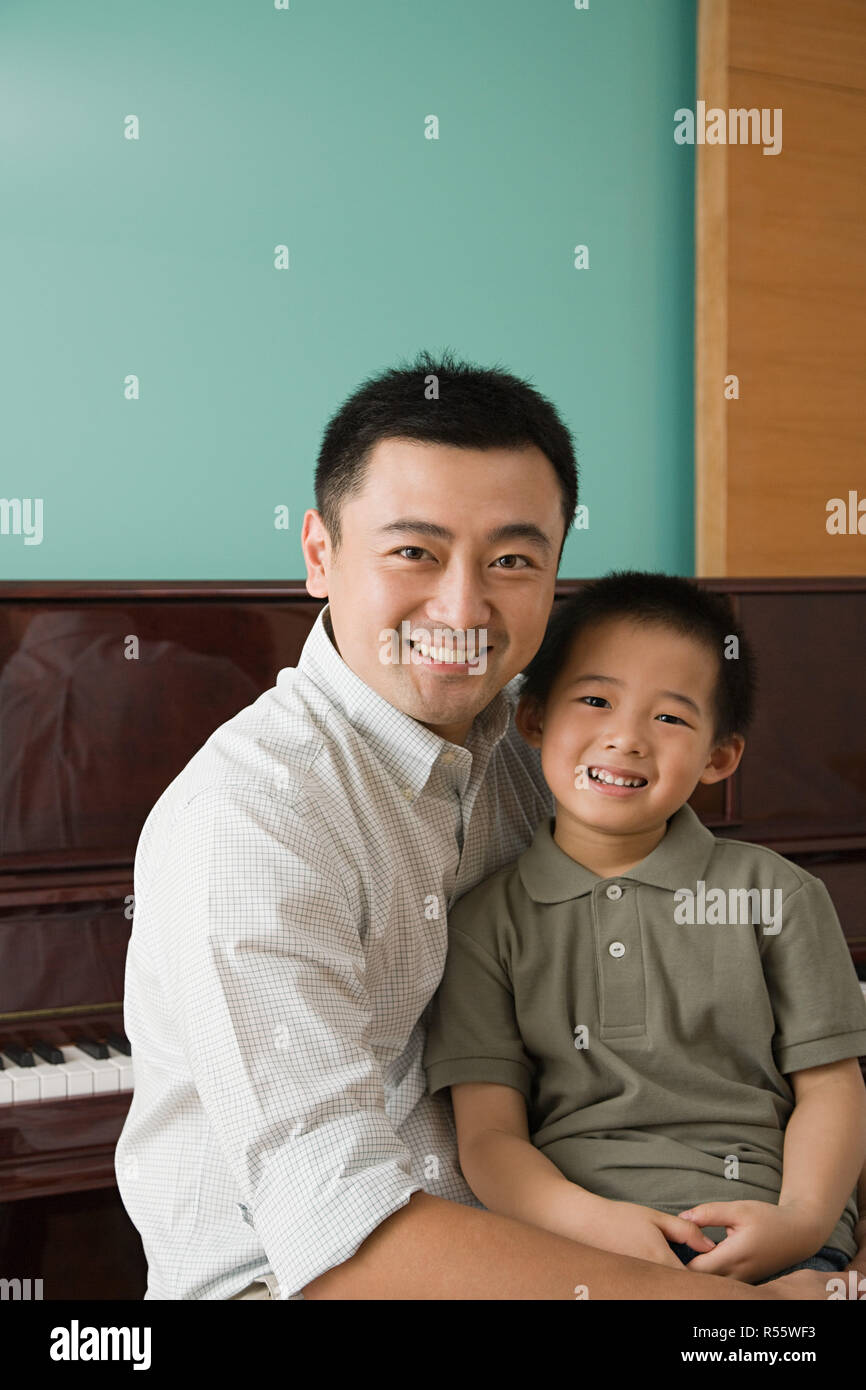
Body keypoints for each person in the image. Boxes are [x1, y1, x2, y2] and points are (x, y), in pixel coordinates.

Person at [115, 350, 862, 1299]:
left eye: (512, 560)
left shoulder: (555, 746)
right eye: (414, 552)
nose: (462, 608)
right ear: (320, 555)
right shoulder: (249, 819)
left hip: (578, 1249)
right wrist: (742, 1315)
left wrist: (832, 1253)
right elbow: (342, 1244)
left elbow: (787, 1067)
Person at [423, 571, 866, 1284]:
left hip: (770, 1237)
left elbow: (832, 1088)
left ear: (719, 757)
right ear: (533, 720)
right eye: (596, 701)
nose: (626, 738)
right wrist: (594, 1224)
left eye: (670, 718)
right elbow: (490, 1137)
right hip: (582, 1245)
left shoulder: (778, 894)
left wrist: (801, 1221)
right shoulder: (485, 923)